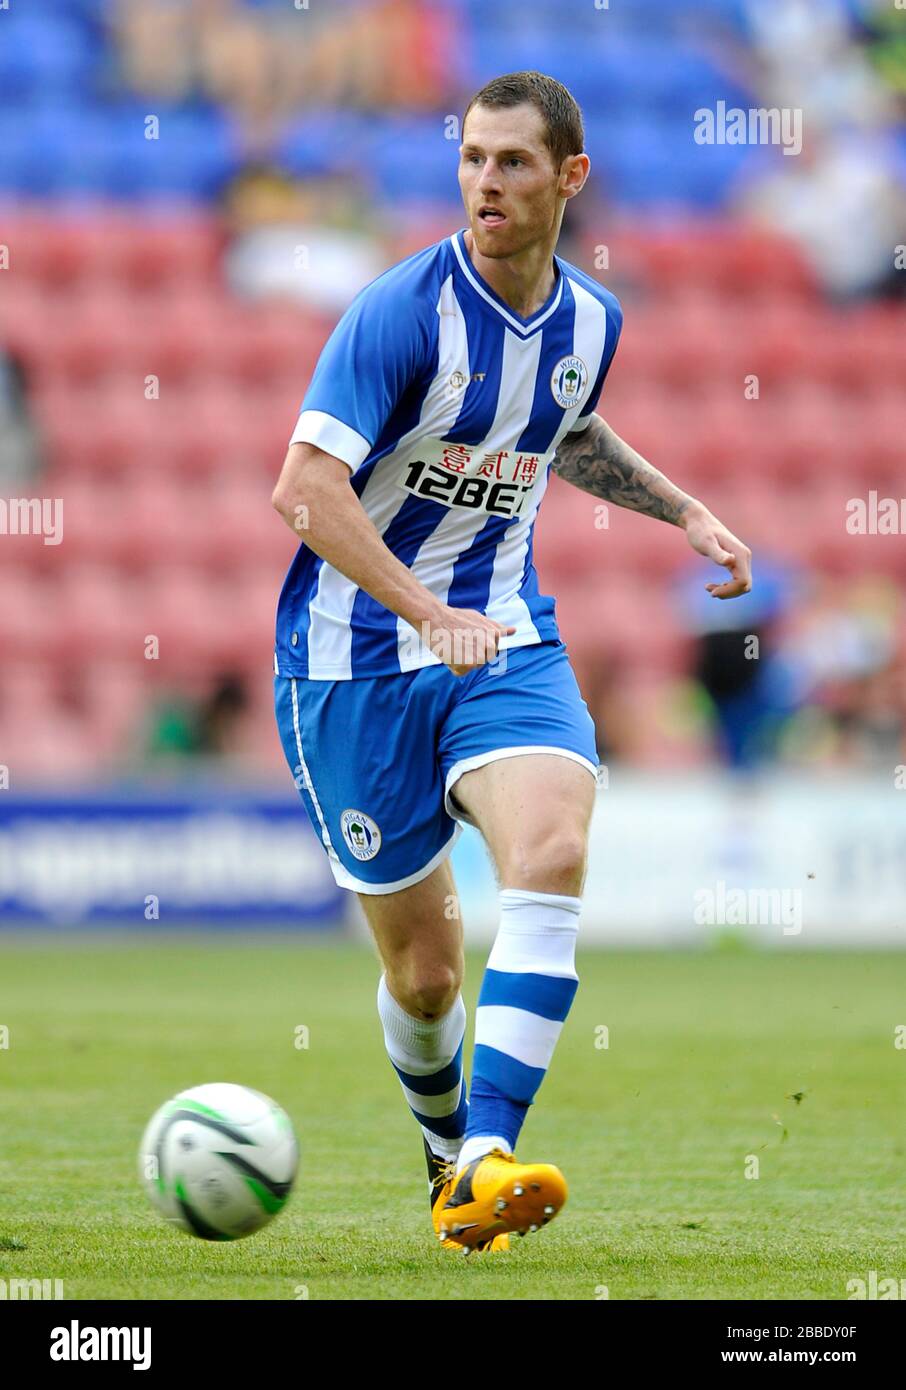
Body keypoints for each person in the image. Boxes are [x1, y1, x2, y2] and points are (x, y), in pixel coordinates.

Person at [271, 71, 752, 1253]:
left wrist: (684, 511)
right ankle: (446, 1153)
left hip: (504, 639)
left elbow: (565, 427)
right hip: (356, 661)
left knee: (553, 845)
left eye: (514, 163)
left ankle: (486, 1149)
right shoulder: (399, 310)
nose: (486, 180)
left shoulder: (594, 318)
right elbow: (303, 490)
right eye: (474, 158)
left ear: (569, 178)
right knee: (429, 978)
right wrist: (424, 608)